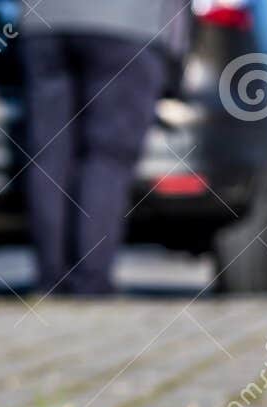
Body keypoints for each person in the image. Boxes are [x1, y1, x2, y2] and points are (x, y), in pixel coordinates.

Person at [17, 1, 192, 296]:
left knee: (47, 155)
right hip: (125, 27)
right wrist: (175, 61)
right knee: (108, 158)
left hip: (43, 25)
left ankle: (49, 279)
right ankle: (91, 280)